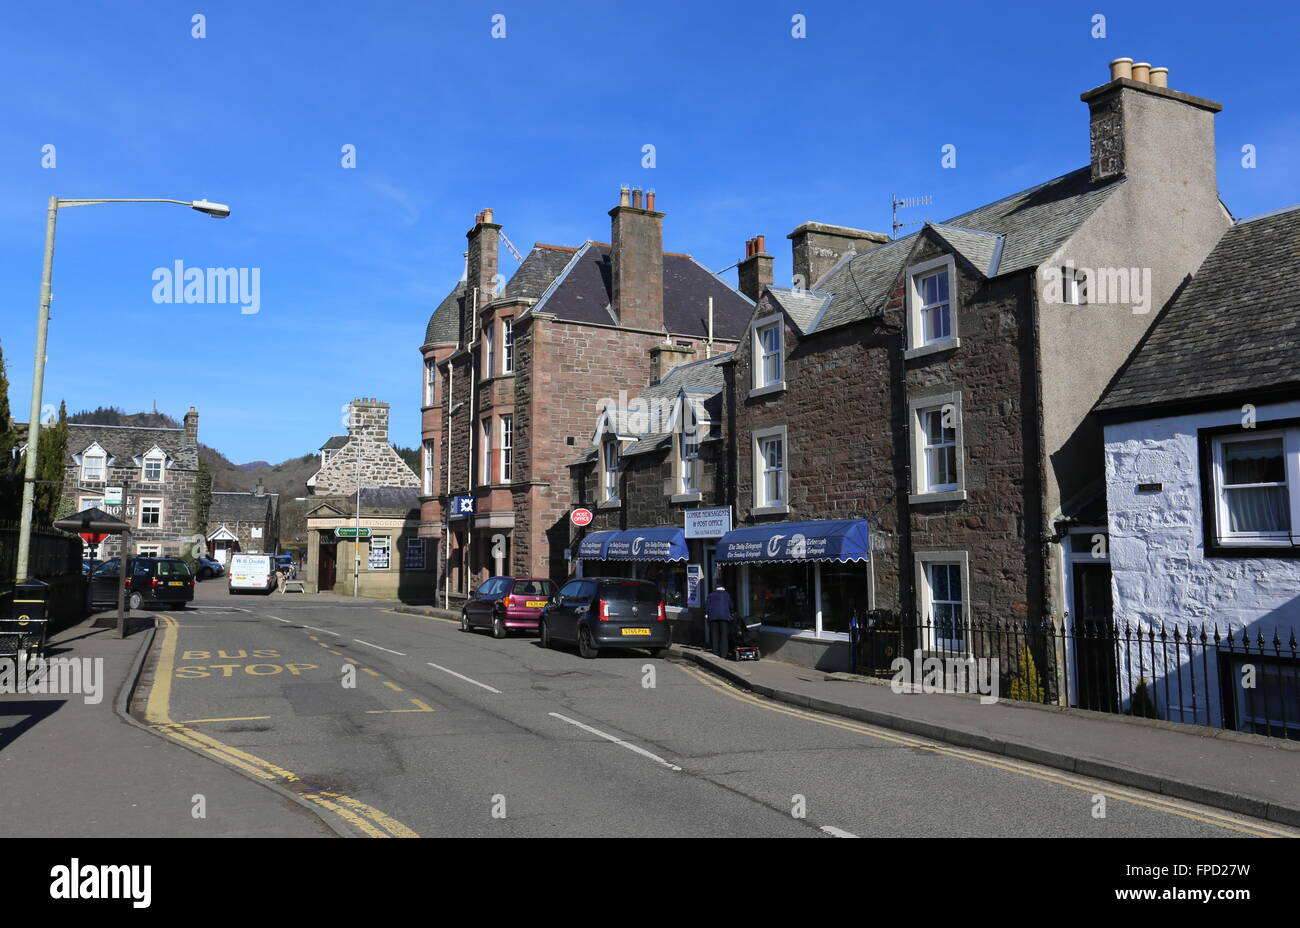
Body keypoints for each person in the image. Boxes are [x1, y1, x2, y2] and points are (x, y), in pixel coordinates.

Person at [705, 584, 734, 659]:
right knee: (724, 635)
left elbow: (707, 606)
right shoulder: (727, 595)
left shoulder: (711, 595)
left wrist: (706, 614)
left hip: (713, 617)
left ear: (715, 588)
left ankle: (715, 652)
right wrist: (731, 612)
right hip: (724, 617)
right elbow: (731, 606)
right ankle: (724, 653)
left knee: (714, 635)